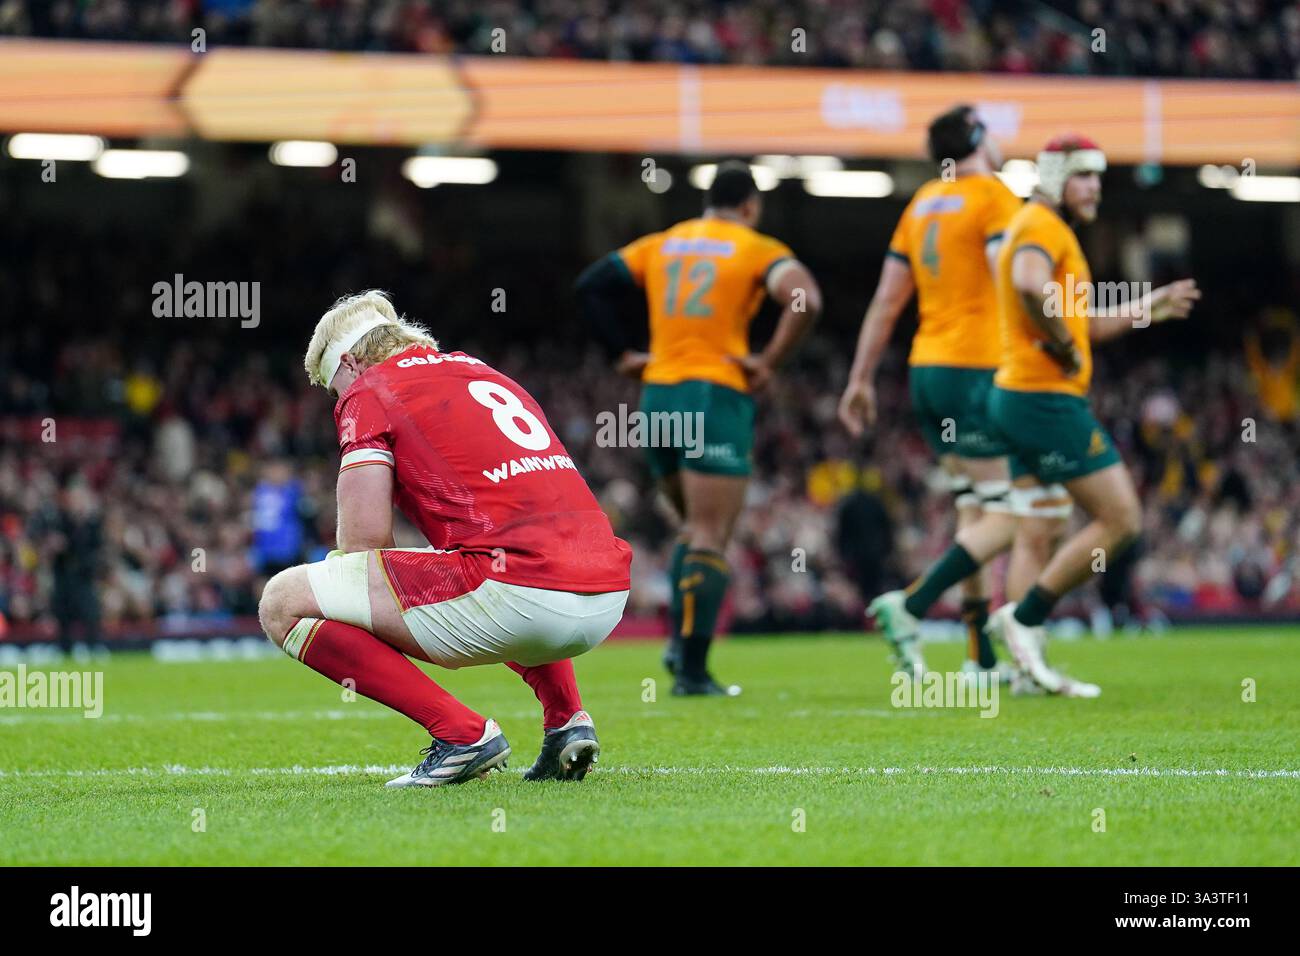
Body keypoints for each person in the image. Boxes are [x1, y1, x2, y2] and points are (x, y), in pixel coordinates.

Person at [257, 291, 633, 787]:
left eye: (334, 386)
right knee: (499, 556)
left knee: (282, 602)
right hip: (607, 588)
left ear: (349, 361)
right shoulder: (485, 373)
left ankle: (460, 734)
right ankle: (566, 720)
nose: (338, 398)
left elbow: (364, 541)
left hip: (522, 596)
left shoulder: (368, 391)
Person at [878, 134, 1200, 695]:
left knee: (1039, 526)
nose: (1094, 186)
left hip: (1018, 394)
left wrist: (1149, 308)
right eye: (1082, 175)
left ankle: (1015, 658)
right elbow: (1031, 286)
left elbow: (1086, 326)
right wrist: (1060, 343)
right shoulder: (1042, 226)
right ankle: (1024, 618)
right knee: (1121, 518)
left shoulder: (1046, 228)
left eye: (1097, 176)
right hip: (1042, 398)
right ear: (1054, 179)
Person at [576, 160, 821, 695]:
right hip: (715, 393)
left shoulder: (664, 242)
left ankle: (676, 646)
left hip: (658, 396)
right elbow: (805, 300)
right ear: (750, 206)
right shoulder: (756, 248)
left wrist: (621, 353)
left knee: (693, 527)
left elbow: (591, 286)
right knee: (712, 536)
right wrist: (771, 361)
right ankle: (692, 671)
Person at [839, 105, 1022, 681]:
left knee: (973, 508)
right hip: (978, 367)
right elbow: (1011, 277)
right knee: (1009, 515)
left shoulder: (920, 205)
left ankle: (978, 655)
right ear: (976, 139)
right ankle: (912, 605)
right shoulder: (994, 196)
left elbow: (888, 302)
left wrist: (861, 377)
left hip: (928, 371)